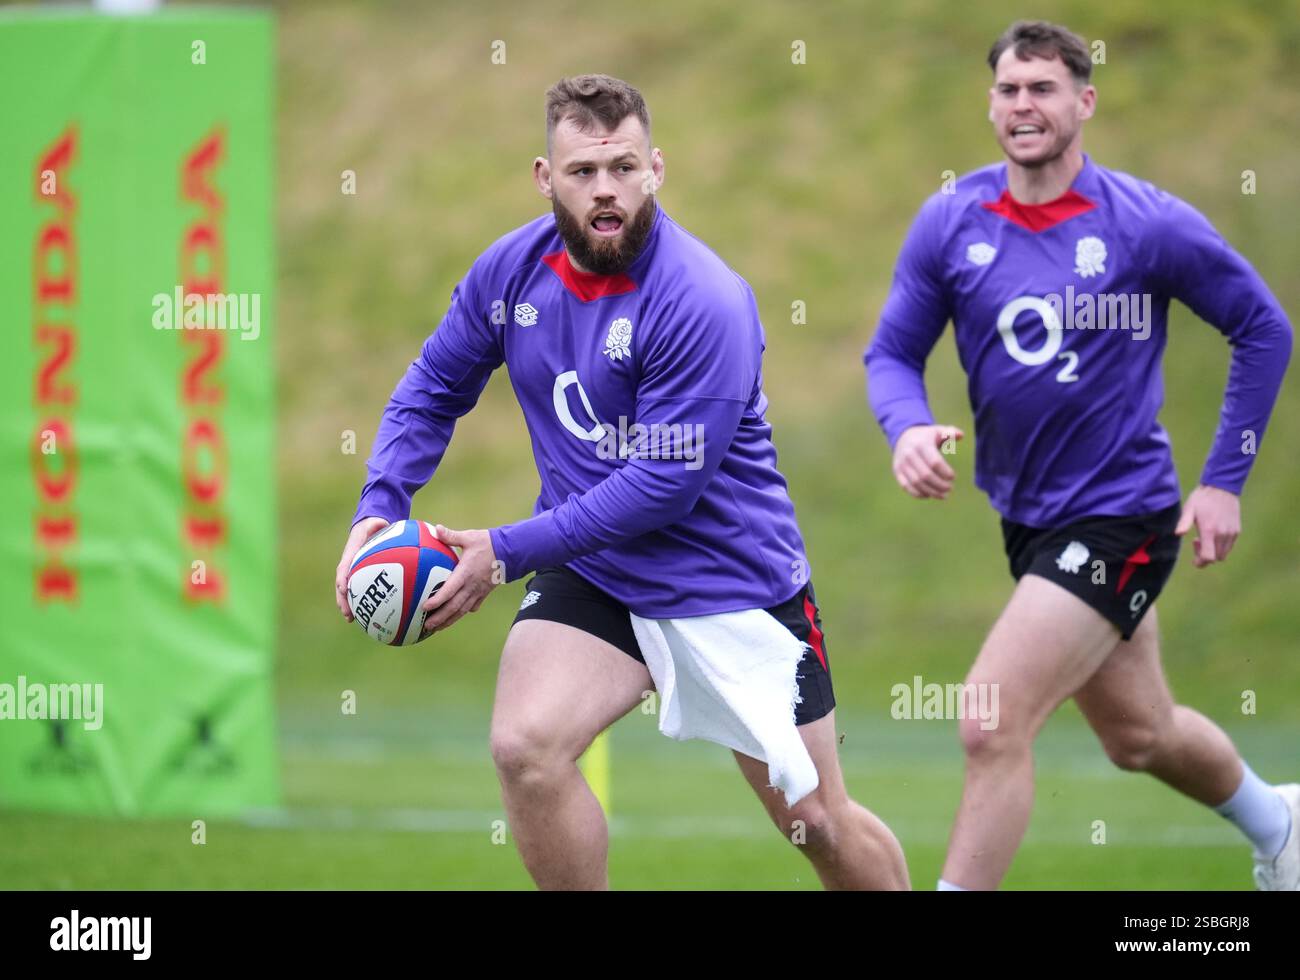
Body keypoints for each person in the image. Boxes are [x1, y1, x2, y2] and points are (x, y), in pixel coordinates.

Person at [337, 74, 908, 890]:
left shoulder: (702, 298)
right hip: (597, 568)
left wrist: (503, 552)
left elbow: (660, 488)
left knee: (814, 822)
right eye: (583, 171)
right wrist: (379, 507)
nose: (606, 189)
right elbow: (433, 385)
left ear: (656, 169)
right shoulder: (510, 273)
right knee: (526, 750)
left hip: (728, 582)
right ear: (545, 177)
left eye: (624, 167)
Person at [864, 20, 1296, 890]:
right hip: (1028, 522)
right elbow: (890, 355)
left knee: (990, 719)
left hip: (1122, 517)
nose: (1024, 105)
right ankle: (1281, 824)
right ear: (991, 105)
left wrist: (1223, 482)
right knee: (1140, 735)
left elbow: (1263, 328)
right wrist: (906, 426)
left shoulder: (1145, 225)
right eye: (1009, 89)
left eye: (1044, 88)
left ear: (1084, 102)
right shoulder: (952, 221)